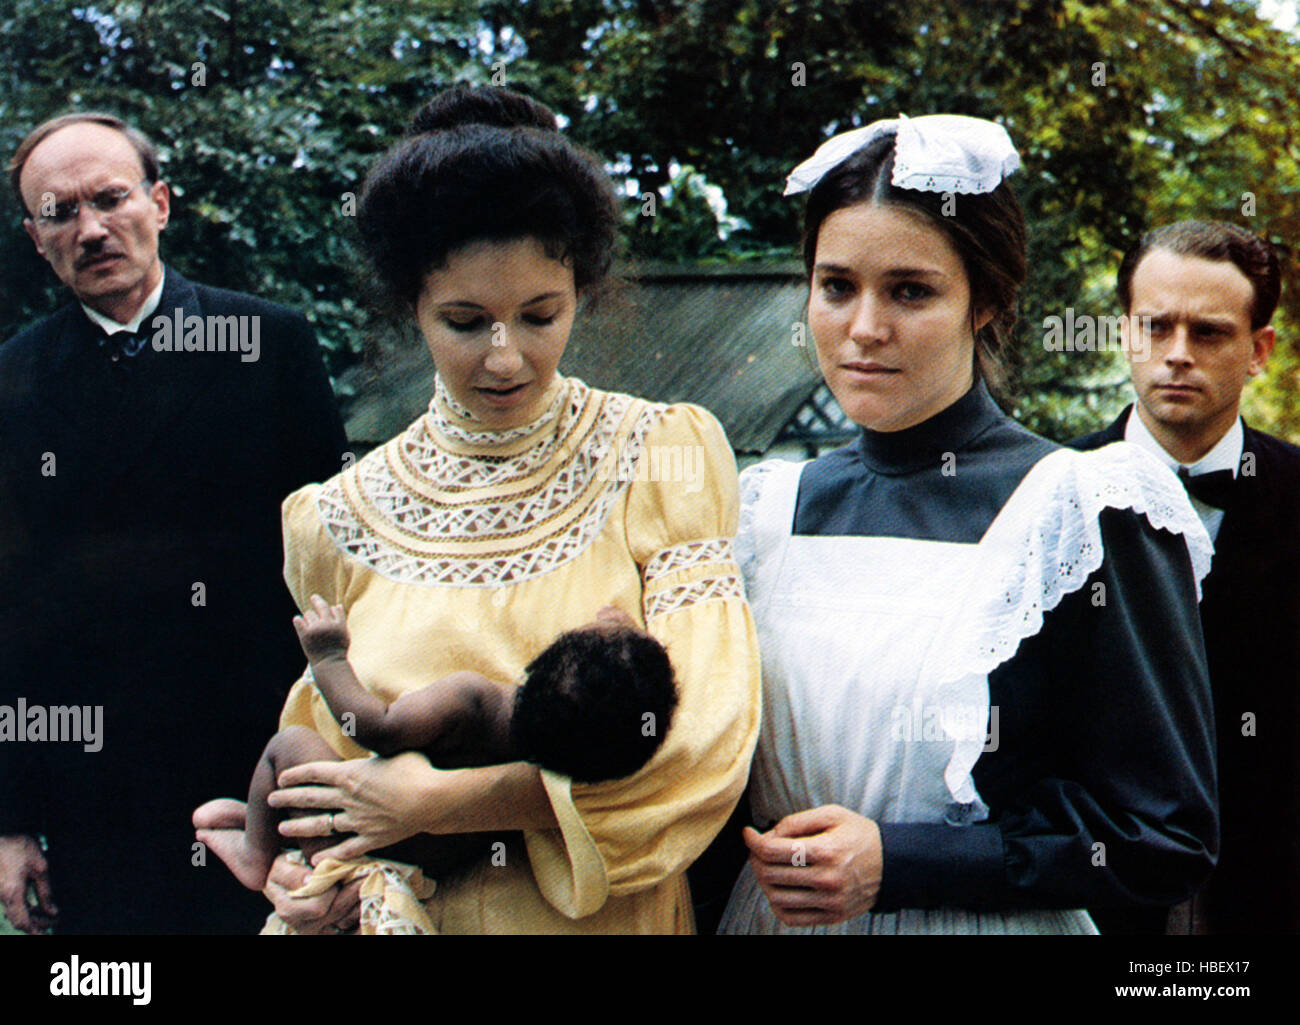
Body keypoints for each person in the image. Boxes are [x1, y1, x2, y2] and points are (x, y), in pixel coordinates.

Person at [194, 85, 761, 935]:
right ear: (410, 307)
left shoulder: (661, 457)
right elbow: (321, 780)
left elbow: (701, 751)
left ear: (583, 292)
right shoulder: (335, 517)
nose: (506, 358)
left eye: (541, 315)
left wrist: (444, 802)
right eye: (466, 321)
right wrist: (302, 878)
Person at [718, 114, 1218, 934]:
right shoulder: (761, 511)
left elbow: (1165, 836)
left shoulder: (1084, 508)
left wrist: (903, 860)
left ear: (985, 300)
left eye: (910, 291)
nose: (865, 328)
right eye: (837, 286)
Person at [0, 112, 347, 934]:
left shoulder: (269, 343)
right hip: (97, 796)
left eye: (111, 198)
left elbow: (333, 568)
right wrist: (10, 819)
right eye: (60, 212)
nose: (90, 229)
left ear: (159, 202)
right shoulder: (11, 382)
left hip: (263, 768)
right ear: (35, 237)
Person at [1073, 221, 1300, 934]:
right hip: (1093, 892)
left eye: (1208, 332)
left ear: (1259, 349)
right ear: (1124, 333)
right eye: (1155, 327)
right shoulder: (1054, 490)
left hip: (1273, 889)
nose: (1176, 355)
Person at [197, 596, 677, 892]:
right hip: (422, 872)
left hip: (347, 840)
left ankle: (254, 856)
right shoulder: (561, 757)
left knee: (291, 744)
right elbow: (610, 704)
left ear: (542, 660)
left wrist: (328, 657)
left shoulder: (472, 701)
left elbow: (373, 727)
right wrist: (626, 644)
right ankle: (271, 825)